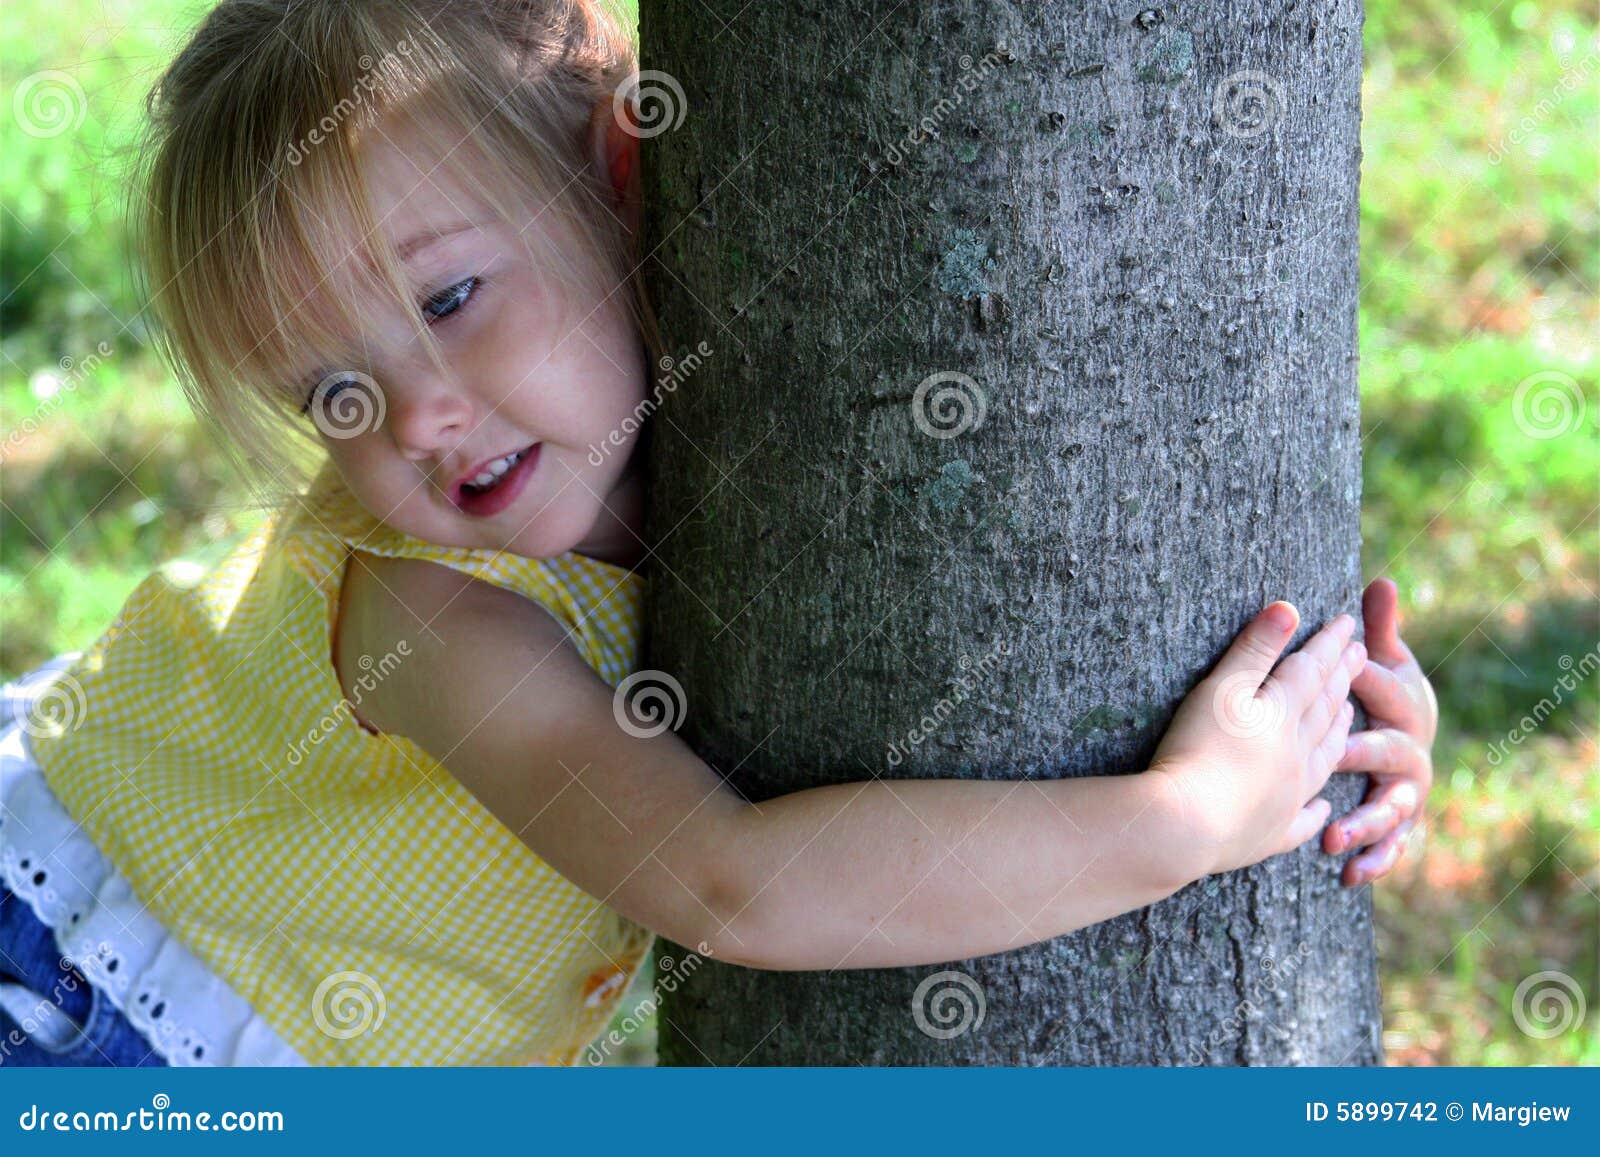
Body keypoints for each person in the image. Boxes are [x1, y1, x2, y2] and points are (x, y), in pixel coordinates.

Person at [0, 0, 1437, 1067]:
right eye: (334, 391)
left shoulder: (759, 435)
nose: (418, 419)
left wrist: (1322, 733)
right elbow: (728, 881)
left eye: (448, 301)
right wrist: (1177, 821)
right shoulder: (427, 615)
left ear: (624, 174)